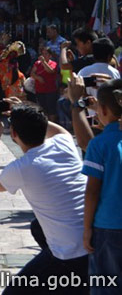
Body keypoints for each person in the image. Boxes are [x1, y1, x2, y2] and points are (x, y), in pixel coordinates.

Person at [0, 104, 89, 294]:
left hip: (70, 255)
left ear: (13, 133)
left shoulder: (23, 167)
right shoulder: (64, 143)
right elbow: (57, 129)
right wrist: (28, 113)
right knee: (37, 226)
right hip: (94, 240)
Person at [79, 80, 122, 293]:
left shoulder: (99, 145)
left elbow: (92, 191)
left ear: (102, 110)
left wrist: (87, 229)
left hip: (108, 227)